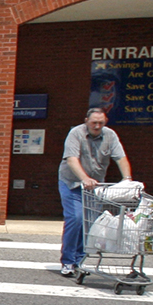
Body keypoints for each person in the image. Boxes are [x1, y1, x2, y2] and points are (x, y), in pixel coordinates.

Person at [58, 107, 132, 276]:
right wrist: (84, 178)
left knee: (90, 222)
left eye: (101, 123)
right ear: (86, 121)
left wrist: (127, 179)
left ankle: (79, 259)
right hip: (72, 183)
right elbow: (71, 159)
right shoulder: (76, 133)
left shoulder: (110, 135)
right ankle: (68, 261)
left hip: (96, 186)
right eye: (94, 122)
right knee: (75, 218)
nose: (97, 126)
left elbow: (120, 158)